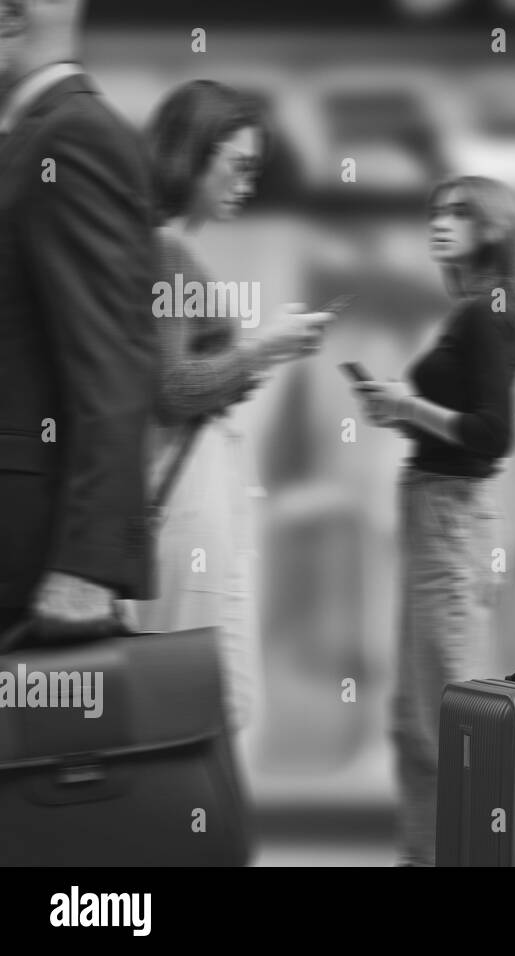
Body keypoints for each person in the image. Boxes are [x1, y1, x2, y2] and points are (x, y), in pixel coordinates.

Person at [120, 80, 335, 732]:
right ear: (192, 154)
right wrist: (265, 348)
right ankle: (198, 831)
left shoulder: (159, 249)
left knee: (205, 699)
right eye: (236, 166)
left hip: (190, 496)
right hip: (183, 504)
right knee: (208, 705)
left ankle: (198, 828)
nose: (246, 184)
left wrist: (259, 355)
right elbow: (173, 388)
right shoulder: (163, 252)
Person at [351, 175, 515, 867]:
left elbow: (491, 434)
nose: (440, 224)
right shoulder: (477, 310)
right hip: (437, 510)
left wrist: (405, 407)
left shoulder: (486, 313)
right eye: (435, 212)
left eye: (459, 212)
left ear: (494, 227)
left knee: (450, 722)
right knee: (418, 723)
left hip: (451, 515)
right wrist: (400, 411)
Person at [0, 0, 155, 642]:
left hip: (32, 564)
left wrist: (87, 567)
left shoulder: (73, 138)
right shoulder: (28, 140)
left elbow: (112, 363)